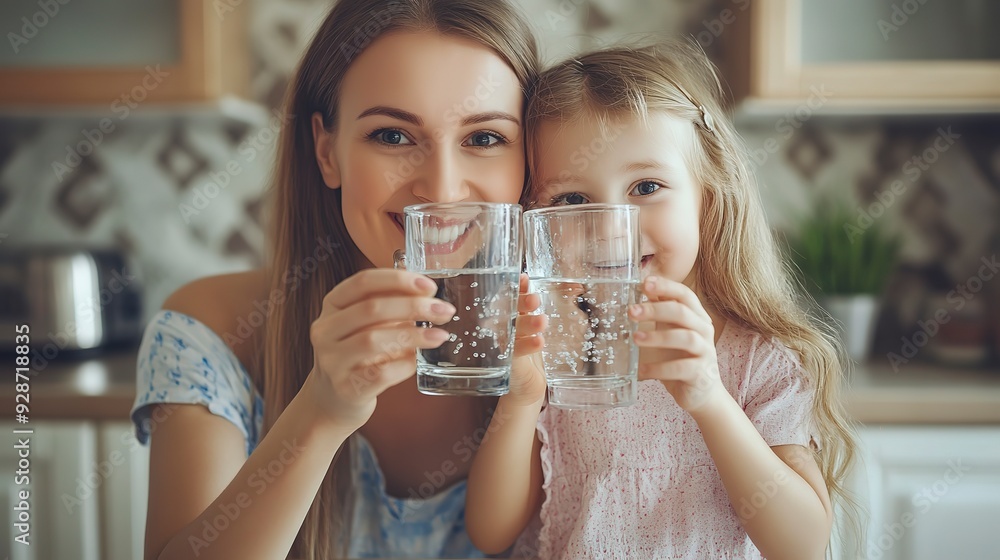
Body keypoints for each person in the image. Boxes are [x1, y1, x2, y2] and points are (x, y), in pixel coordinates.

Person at [129, 1, 542, 558]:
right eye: (392, 136)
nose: (442, 188)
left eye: (485, 138)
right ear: (328, 152)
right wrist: (321, 412)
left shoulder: (576, 338)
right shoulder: (211, 333)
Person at [465, 42, 859, 560]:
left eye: (645, 186)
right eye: (573, 200)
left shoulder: (760, 361)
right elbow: (490, 534)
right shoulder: (556, 350)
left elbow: (802, 545)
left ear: (708, 198)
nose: (611, 227)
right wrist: (519, 398)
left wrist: (709, 400)